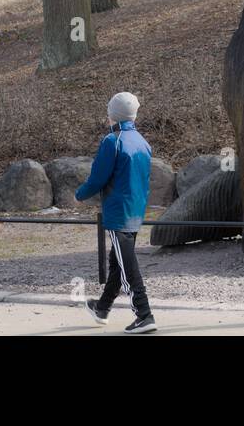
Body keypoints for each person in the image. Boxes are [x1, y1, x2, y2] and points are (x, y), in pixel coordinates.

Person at [77, 92, 158, 334]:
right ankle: (102, 308)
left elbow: (97, 178)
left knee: (127, 266)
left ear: (113, 114)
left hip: (117, 211)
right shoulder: (142, 141)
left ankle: (144, 315)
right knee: (118, 262)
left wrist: (79, 195)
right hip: (135, 210)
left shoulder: (113, 141)